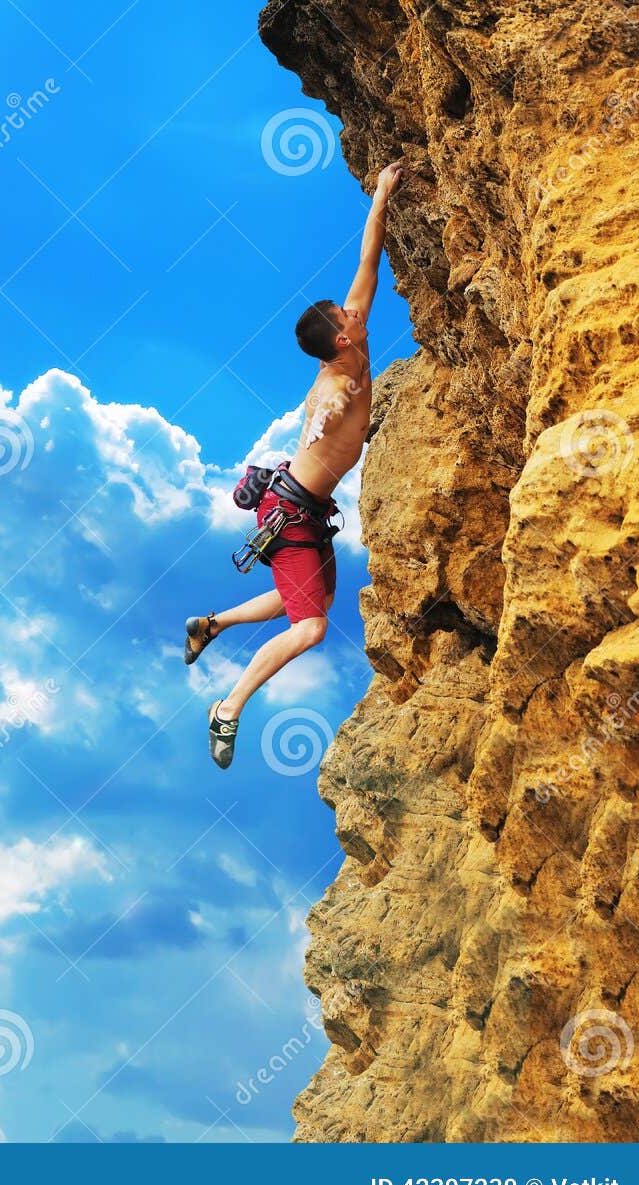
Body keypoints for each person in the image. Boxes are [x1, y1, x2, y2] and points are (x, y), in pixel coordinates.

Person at [185, 159, 408, 769]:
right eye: (345, 314)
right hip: (291, 515)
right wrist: (321, 421)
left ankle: (209, 624)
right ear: (341, 340)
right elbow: (327, 410)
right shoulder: (335, 382)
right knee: (309, 629)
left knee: (297, 603)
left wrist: (382, 193)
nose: (354, 309)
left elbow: (368, 261)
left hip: (300, 506)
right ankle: (226, 709)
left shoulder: (353, 336)